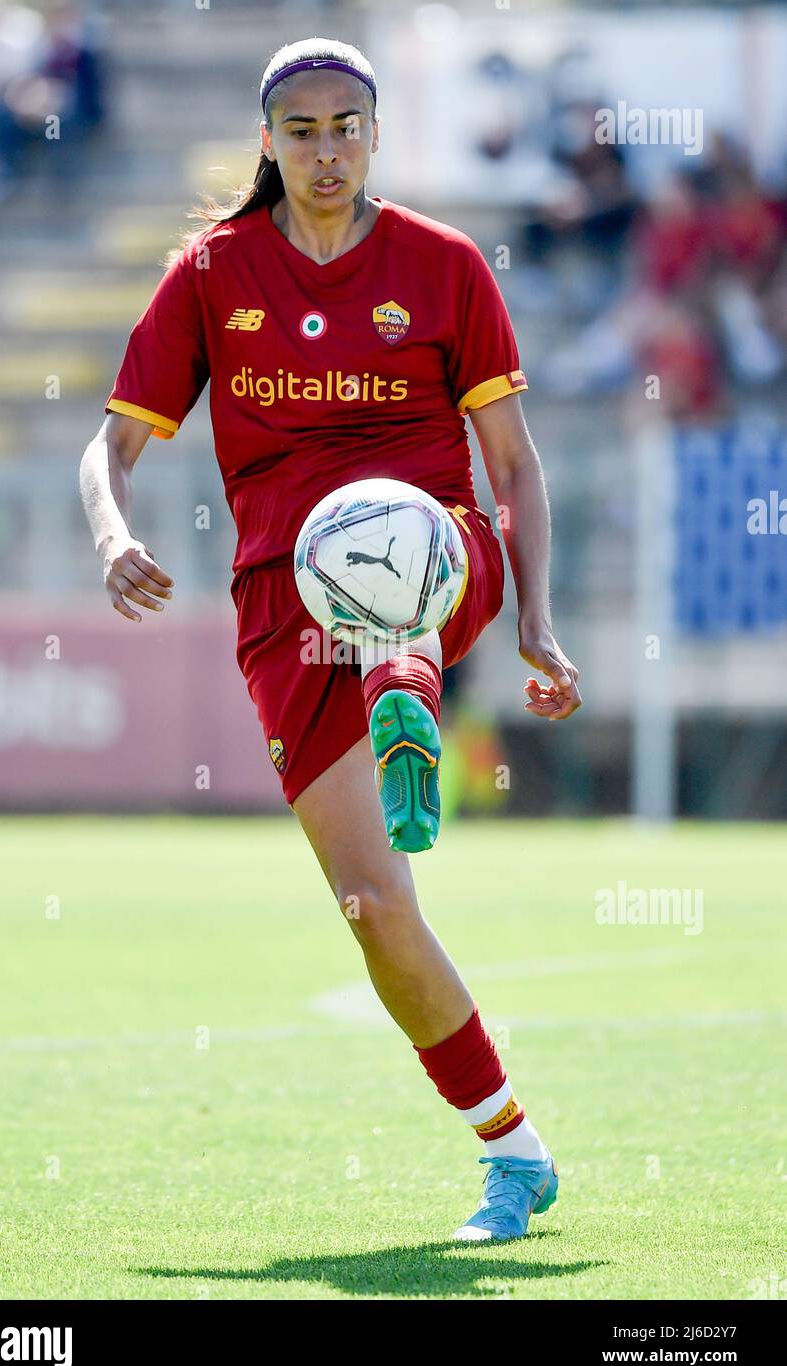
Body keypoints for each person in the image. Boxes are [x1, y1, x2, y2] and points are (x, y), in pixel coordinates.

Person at [79, 36, 581, 1243]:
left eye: (344, 124)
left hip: (438, 542)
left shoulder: (444, 266)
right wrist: (109, 536)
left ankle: (405, 676)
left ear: (373, 134)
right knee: (371, 905)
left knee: (392, 549)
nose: (324, 149)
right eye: (298, 129)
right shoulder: (212, 273)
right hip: (276, 599)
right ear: (267, 141)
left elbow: (510, 462)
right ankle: (514, 1151)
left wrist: (535, 621)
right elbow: (109, 446)